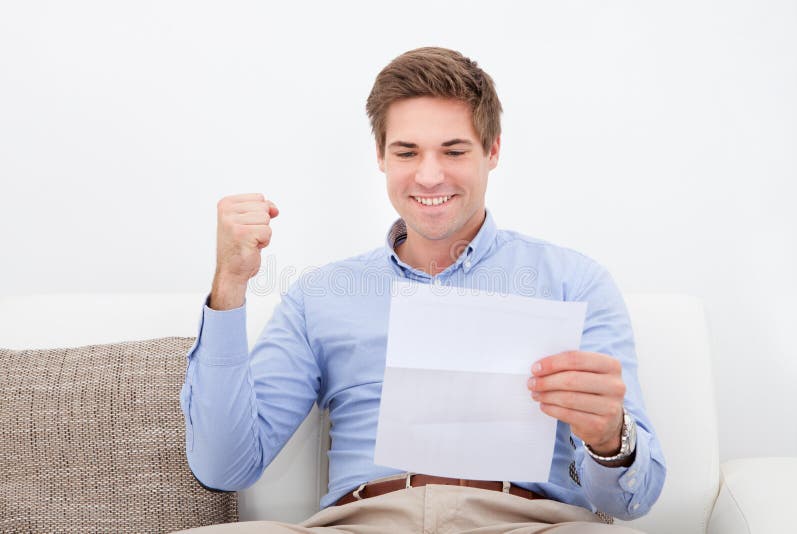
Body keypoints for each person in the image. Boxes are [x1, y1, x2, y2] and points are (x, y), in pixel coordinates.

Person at [179, 47, 666, 533]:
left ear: (493, 150)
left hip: (528, 522)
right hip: (365, 521)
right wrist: (230, 285)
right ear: (380, 156)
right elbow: (225, 468)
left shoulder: (573, 283)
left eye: (453, 151)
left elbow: (632, 502)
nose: (429, 175)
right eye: (407, 152)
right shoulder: (319, 296)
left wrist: (608, 439)